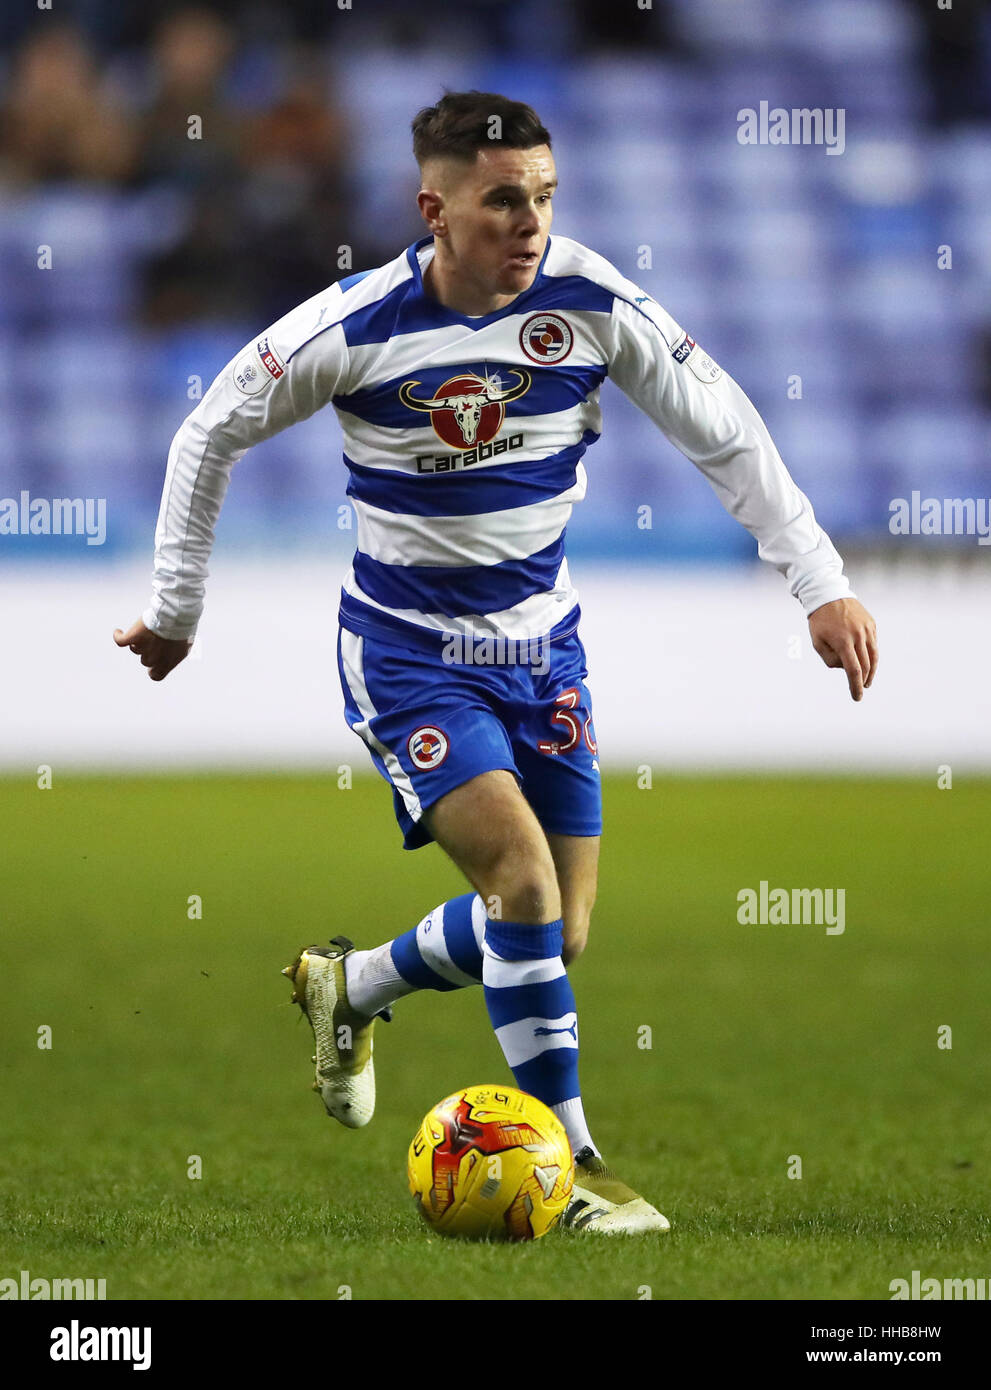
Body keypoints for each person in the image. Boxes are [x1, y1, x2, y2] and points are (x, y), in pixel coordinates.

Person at [115, 90, 879, 1235]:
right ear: (432, 207)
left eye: (545, 198)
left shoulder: (590, 302)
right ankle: (570, 1170)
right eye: (503, 201)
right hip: (409, 654)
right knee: (520, 884)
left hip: (545, 654)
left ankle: (354, 981)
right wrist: (176, 610)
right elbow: (207, 428)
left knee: (555, 933)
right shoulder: (356, 327)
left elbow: (721, 426)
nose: (530, 223)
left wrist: (818, 580)